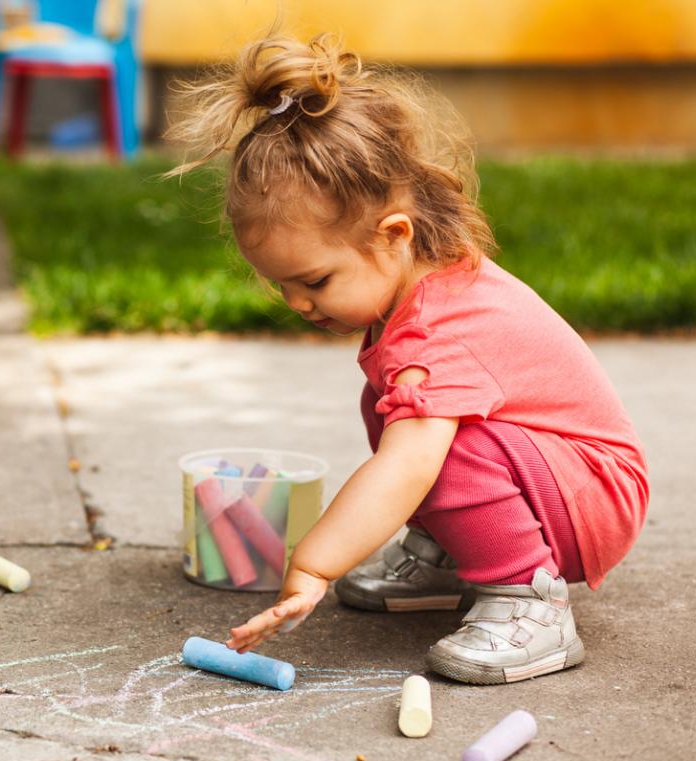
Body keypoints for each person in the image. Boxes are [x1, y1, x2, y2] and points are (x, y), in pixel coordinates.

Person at [166, 34, 649, 684]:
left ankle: (528, 603)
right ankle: (454, 556)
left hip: (592, 493)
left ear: (394, 235)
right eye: (279, 284)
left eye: (313, 281)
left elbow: (404, 470)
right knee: (394, 406)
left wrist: (313, 565)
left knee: (434, 447)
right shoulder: (415, 293)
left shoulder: (437, 330)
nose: (297, 303)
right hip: (561, 480)